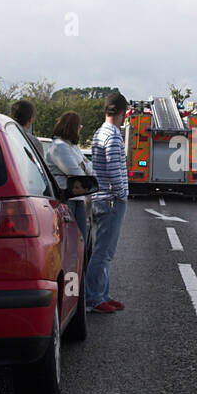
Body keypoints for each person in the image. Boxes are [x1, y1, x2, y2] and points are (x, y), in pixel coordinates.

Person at [85, 92, 129, 314]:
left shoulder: (99, 133)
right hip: (111, 200)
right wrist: (122, 194)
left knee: (103, 250)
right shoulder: (113, 136)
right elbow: (114, 170)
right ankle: (94, 298)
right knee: (103, 252)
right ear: (123, 113)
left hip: (101, 199)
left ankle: (103, 294)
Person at [45, 110, 96, 247]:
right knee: (71, 244)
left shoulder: (71, 147)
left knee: (80, 243)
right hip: (67, 198)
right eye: (79, 126)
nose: (80, 129)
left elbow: (89, 167)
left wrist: (83, 166)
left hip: (78, 197)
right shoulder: (60, 147)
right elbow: (76, 172)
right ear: (72, 127)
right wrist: (84, 167)